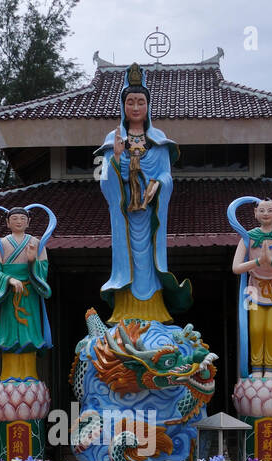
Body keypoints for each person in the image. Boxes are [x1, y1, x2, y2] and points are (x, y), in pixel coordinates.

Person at [95, 63, 192, 323]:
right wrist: (115, 158)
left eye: (140, 102)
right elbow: (101, 178)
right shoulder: (112, 138)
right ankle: (125, 311)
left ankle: (154, 312)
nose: (135, 107)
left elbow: (166, 174)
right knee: (126, 259)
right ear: (122, 106)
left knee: (150, 261)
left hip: (151, 213)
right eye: (130, 102)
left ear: (148, 106)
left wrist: (158, 185)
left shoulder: (158, 139)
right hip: (125, 215)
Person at [0, 207, 51, 380]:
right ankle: (8, 376)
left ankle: (30, 376)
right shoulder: (1, 243)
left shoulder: (36, 242)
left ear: (28, 222)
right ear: (7, 222)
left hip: (29, 293)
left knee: (30, 334)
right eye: (14, 218)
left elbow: (44, 270)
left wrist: (33, 260)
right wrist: (9, 280)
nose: (18, 221)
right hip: (9, 295)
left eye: (22, 218)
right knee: (8, 335)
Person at [231, 198, 272, 377]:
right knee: (254, 328)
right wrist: (258, 261)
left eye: (270, 210)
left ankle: (269, 370)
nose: (266, 214)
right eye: (262, 210)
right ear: (255, 214)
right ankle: (255, 369)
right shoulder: (247, 237)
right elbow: (236, 268)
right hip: (252, 289)